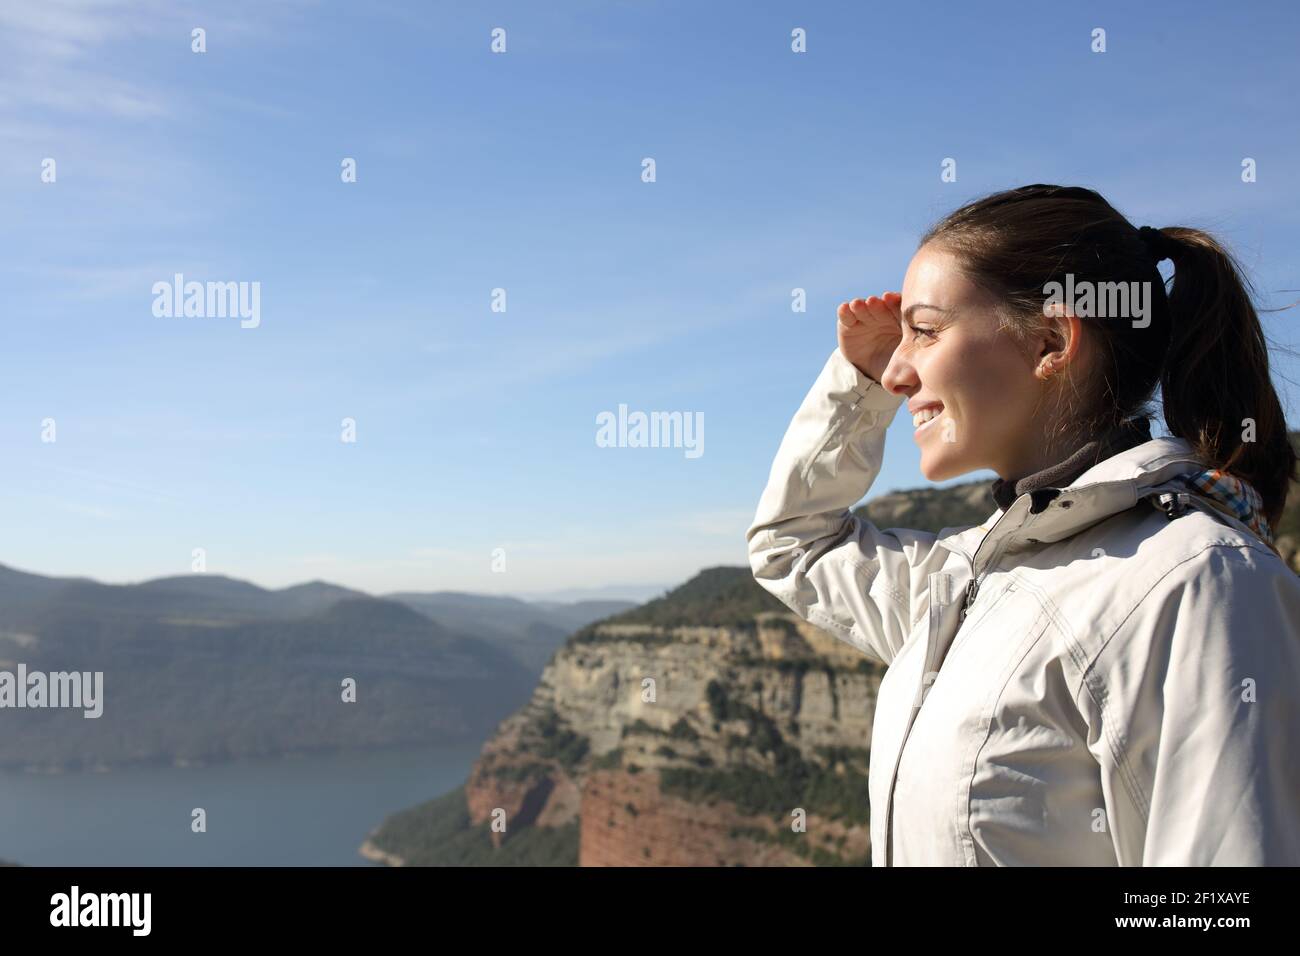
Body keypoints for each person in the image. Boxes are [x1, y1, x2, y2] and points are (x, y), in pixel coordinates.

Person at [746, 184, 1300, 866]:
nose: (894, 374)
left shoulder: (1195, 583)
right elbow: (791, 544)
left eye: (923, 331)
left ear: (1050, 340)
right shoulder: (967, 578)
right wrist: (852, 380)